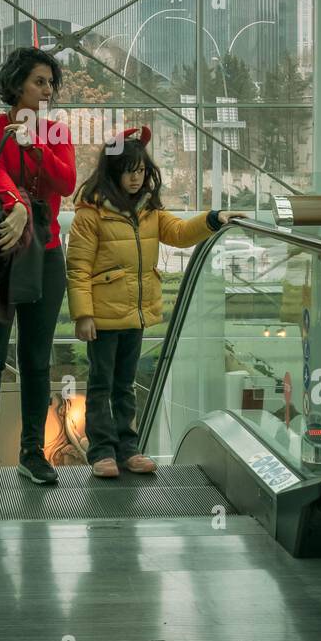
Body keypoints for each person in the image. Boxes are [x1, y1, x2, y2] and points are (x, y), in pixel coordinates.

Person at [67, 127, 238, 478]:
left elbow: (178, 233)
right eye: (129, 170)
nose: (136, 177)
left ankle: (127, 448)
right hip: (102, 317)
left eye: (141, 170)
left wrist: (212, 218)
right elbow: (78, 267)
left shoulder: (148, 211)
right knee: (101, 386)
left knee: (124, 386)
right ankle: (101, 451)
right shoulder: (91, 214)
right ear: (113, 171)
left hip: (136, 314)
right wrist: (83, 314)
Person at [0, 46, 76, 488]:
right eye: (39, 82)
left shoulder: (55, 132)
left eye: (52, 83)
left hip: (45, 255)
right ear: (16, 85)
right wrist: (16, 206)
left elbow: (65, 183)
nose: (47, 90)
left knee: (35, 359)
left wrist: (34, 148)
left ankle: (34, 451)